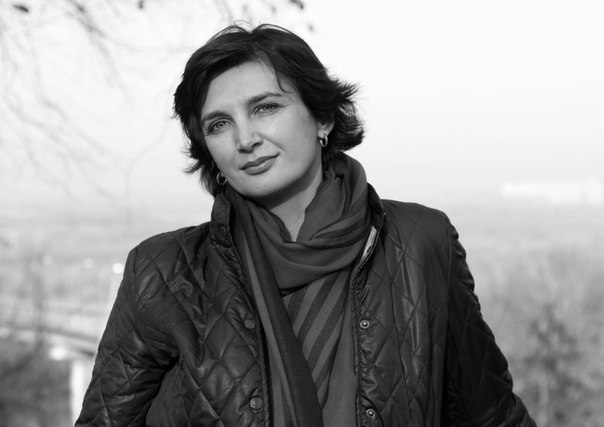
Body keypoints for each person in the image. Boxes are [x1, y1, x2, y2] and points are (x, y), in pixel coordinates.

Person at [76, 24, 536, 427]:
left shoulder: (420, 243)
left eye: (265, 108)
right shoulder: (163, 273)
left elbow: (491, 415)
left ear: (323, 117)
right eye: (219, 124)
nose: (245, 139)